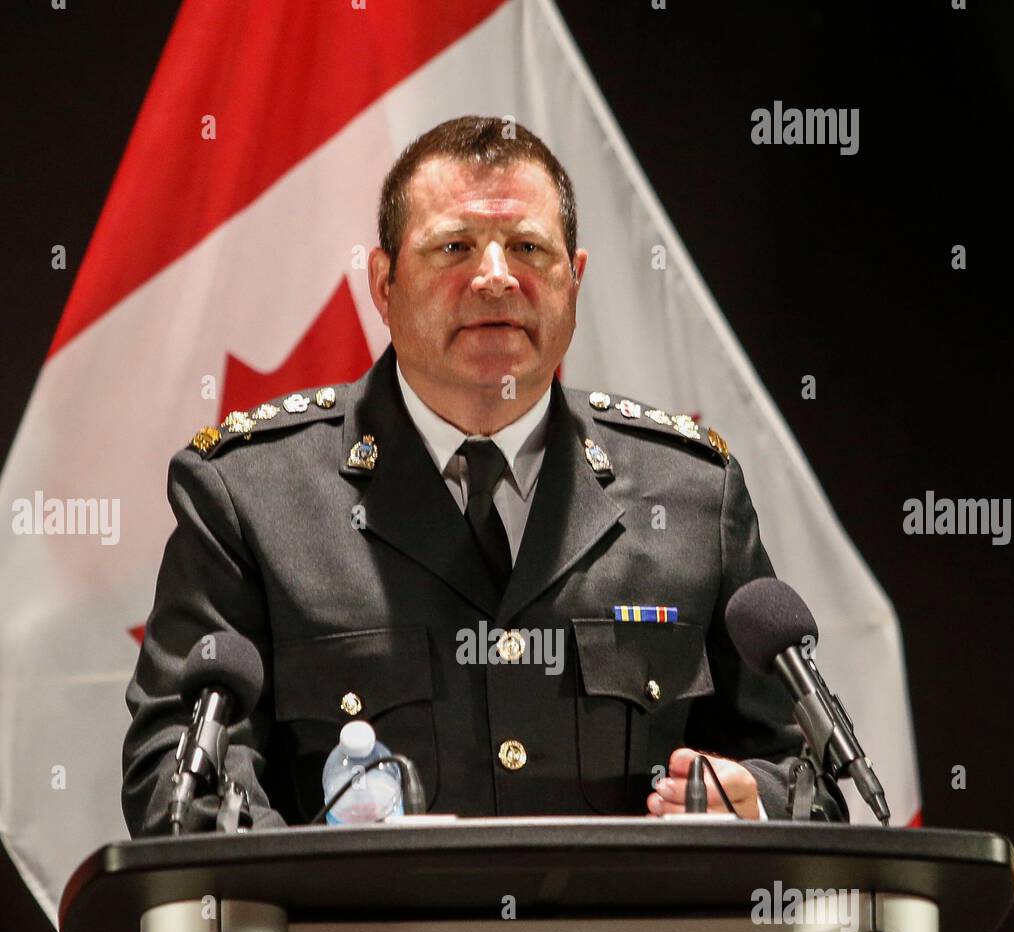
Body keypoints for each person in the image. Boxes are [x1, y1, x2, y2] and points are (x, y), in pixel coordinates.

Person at [121, 115, 846, 835]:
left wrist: (761, 799)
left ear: (574, 279)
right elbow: (177, 778)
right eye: (454, 247)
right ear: (384, 283)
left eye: (528, 247)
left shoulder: (690, 494)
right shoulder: (250, 495)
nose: (496, 276)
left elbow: (801, 774)